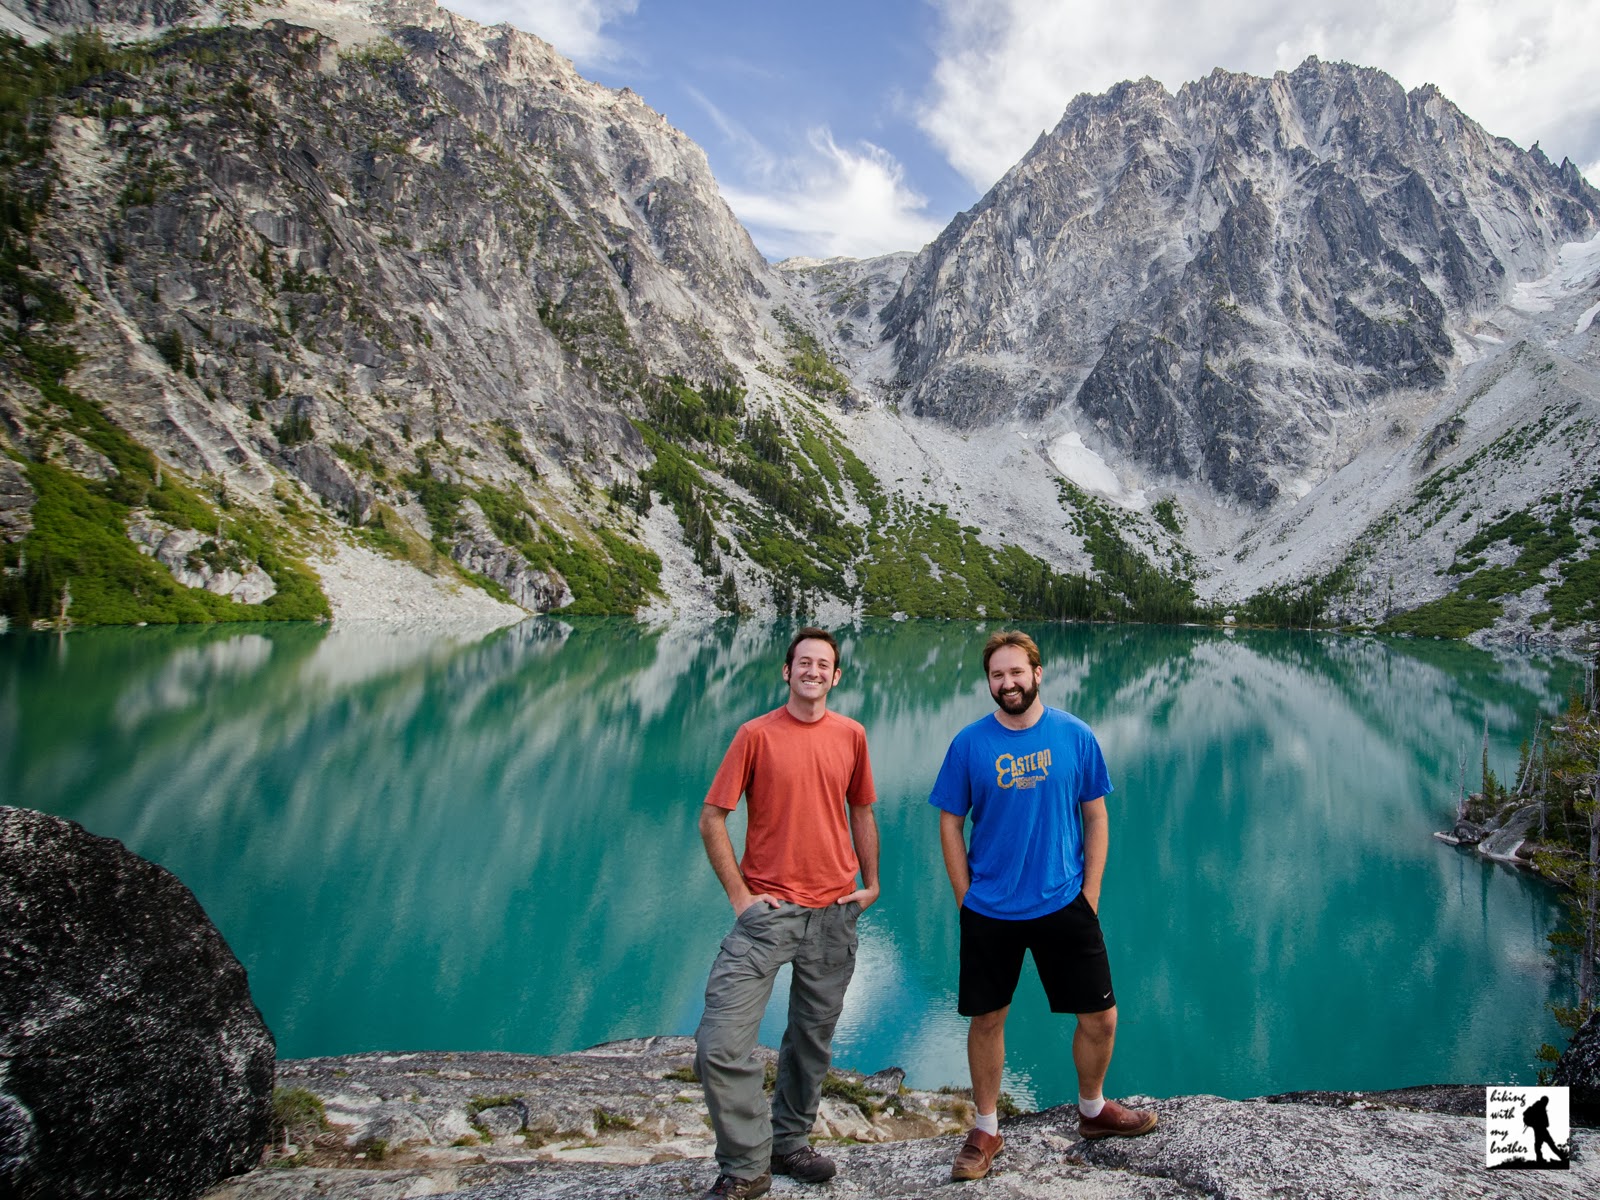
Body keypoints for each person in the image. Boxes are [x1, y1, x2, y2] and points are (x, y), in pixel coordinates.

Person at [930, 630, 1156, 1182]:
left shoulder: (1075, 736)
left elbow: (1096, 815)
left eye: (1015, 672)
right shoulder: (968, 744)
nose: (1006, 683)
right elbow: (950, 822)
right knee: (987, 1019)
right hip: (991, 907)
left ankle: (1094, 1110)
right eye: (996, 675)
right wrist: (966, 899)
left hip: (1064, 902)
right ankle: (985, 1127)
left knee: (1100, 1017)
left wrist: (1091, 892)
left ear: (1037, 673)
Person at [694, 627, 880, 1200]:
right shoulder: (754, 735)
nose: (814, 672)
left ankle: (789, 1142)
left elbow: (862, 811)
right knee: (719, 1044)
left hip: (833, 912)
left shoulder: (851, 734)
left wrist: (871, 883)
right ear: (786, 670)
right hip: (768, 911)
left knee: (811, 1038)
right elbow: (711, 817)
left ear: (836, 675)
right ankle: (747, 1166)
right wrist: (740, 898)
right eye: (804, 662)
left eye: (824, 665)